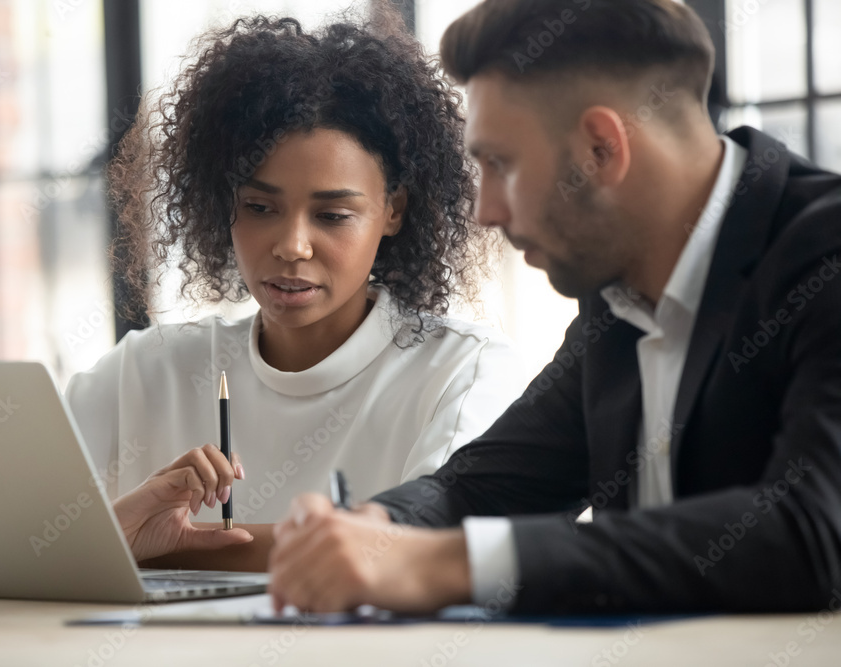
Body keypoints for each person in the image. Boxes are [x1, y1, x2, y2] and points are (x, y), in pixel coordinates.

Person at [267, 0, 841, 614]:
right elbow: (484, 486)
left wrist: (450, 564)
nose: (486, 211)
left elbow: (812, 536)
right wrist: (372, 526)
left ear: (601, 147)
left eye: (500, 164)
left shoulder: (824, 257)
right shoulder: (618, 293)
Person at [64, 12, 521, 570]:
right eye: (259, 208)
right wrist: (113, 535)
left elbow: (432, 555)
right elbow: (13, 537)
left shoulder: (463, 373)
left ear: (393, 210)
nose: (292, 246)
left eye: (331, 215)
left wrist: (163, 548)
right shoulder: (144, 369)